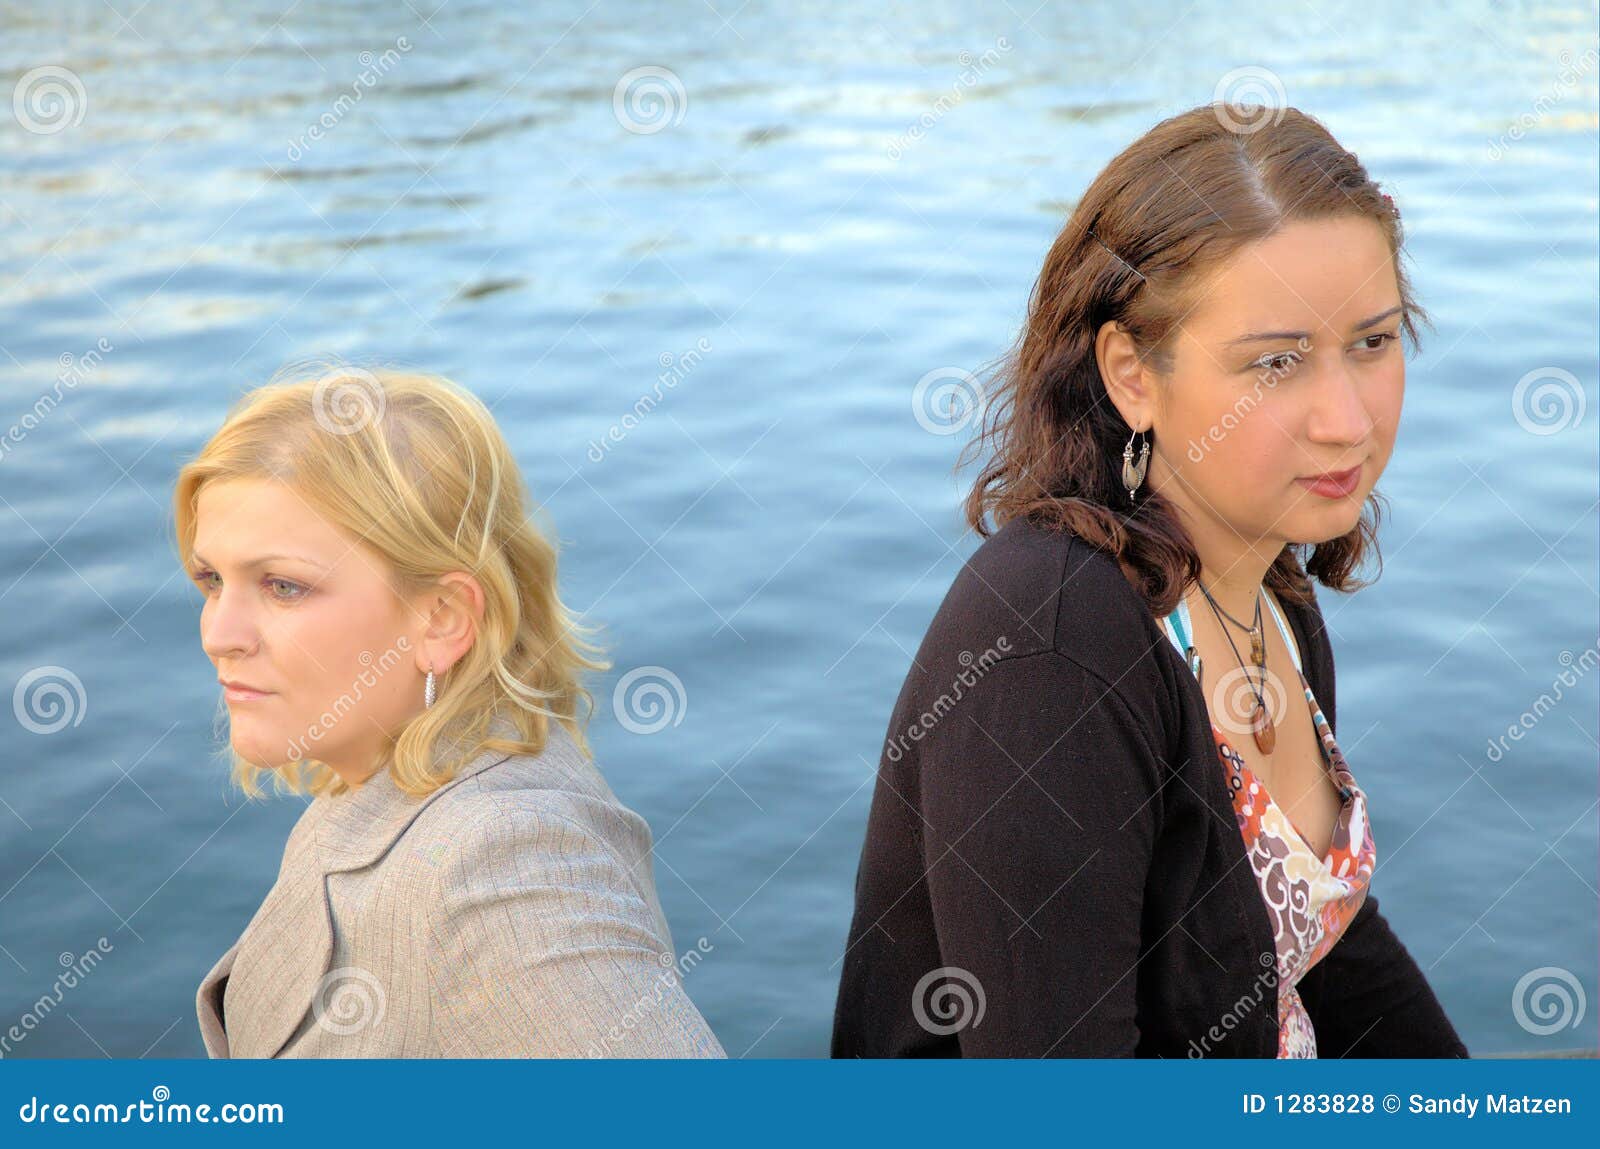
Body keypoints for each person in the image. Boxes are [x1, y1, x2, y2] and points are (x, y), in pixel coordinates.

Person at [832, 103, 1469, 1058]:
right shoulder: (1052, 652)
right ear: (1132, 373)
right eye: (1277, 362)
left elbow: (1322, 945)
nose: (1347, 419)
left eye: (1373, 342)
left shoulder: (1268, 593)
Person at [177, 364, 725, 1057]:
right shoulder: (385, 781)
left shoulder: (499, 862)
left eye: (283, 586)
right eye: (211, 579)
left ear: (441, 618)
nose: (219, 633)